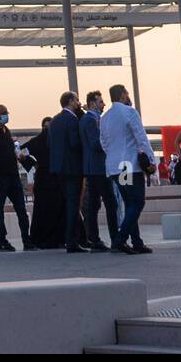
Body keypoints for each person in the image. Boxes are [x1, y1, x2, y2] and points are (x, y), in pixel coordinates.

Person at [99, 83, 155, 254]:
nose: (128, 96)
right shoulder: (129, 112)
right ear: (123, 95)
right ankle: (120, 239)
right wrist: (151, 160)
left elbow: (104, 143)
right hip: (128, 165)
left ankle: (137, 241)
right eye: (127, 93)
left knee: (129, 203)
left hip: (114, 166)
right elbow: (141, 138)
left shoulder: (105, 117)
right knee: (137, 202)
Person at [0, 104, 34, 252]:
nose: (6, 116)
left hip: (13, 177)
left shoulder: (6, 131)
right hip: (0, 178)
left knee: (21, 210)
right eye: (4, 113)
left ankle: (26, 240)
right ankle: (2, 241)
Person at [80, 90, 120, 252]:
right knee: (111, 202)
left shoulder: (93, 119)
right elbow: (96, 143)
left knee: (94, 204)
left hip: (94, 168)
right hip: (97, 168)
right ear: (92, 104)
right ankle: (114, 238)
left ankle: (94, 238)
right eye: (100, 102)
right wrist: (111, 142)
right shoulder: (91, 120)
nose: (103, 105)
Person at [49, 91, 86, 253]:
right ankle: (72, 241)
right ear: (70, 101)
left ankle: (69, 239)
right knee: (73, 205)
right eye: (77, 100)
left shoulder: (55, 120)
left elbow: (50, 144)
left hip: (59, 168)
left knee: (67, 203)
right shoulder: (72, 119)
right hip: (72, 168)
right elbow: (74, 143)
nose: (79, 103)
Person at [23, 116, 64, 249]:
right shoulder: (55, 141)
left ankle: (43, 239)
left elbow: (20, 152)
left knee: (44, 210)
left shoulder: (36, 141)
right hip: (52, 179)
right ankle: (54, 239)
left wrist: (34, 164)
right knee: (52, 210)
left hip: (45, 179)